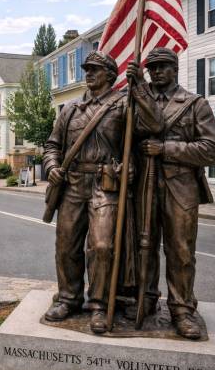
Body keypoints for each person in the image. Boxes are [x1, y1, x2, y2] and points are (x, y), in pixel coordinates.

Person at [43, 51, 161, 334]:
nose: (89, 74)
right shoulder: (70, 109)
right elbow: (52, 145)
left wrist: (140, 87)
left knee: (102, 246)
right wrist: (52, 167)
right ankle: (69, 298)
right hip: (72, 184)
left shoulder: (122, 105)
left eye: (96, 70)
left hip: (105, 184)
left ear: (110, 75)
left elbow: (151, 128)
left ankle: (98, 304)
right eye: (88, 69)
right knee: (66, 245)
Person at [135, 47, 215, 339]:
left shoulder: (195, 104)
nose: (156, 71)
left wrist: (166, 149)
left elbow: (211, 150)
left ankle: (182, 309)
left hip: (180, 187)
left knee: (181, 251)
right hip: (144, 185)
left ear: (175, 69)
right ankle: (145, 299)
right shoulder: (137, 101)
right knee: (142, 245)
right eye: (152, 67)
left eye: (162, 66)